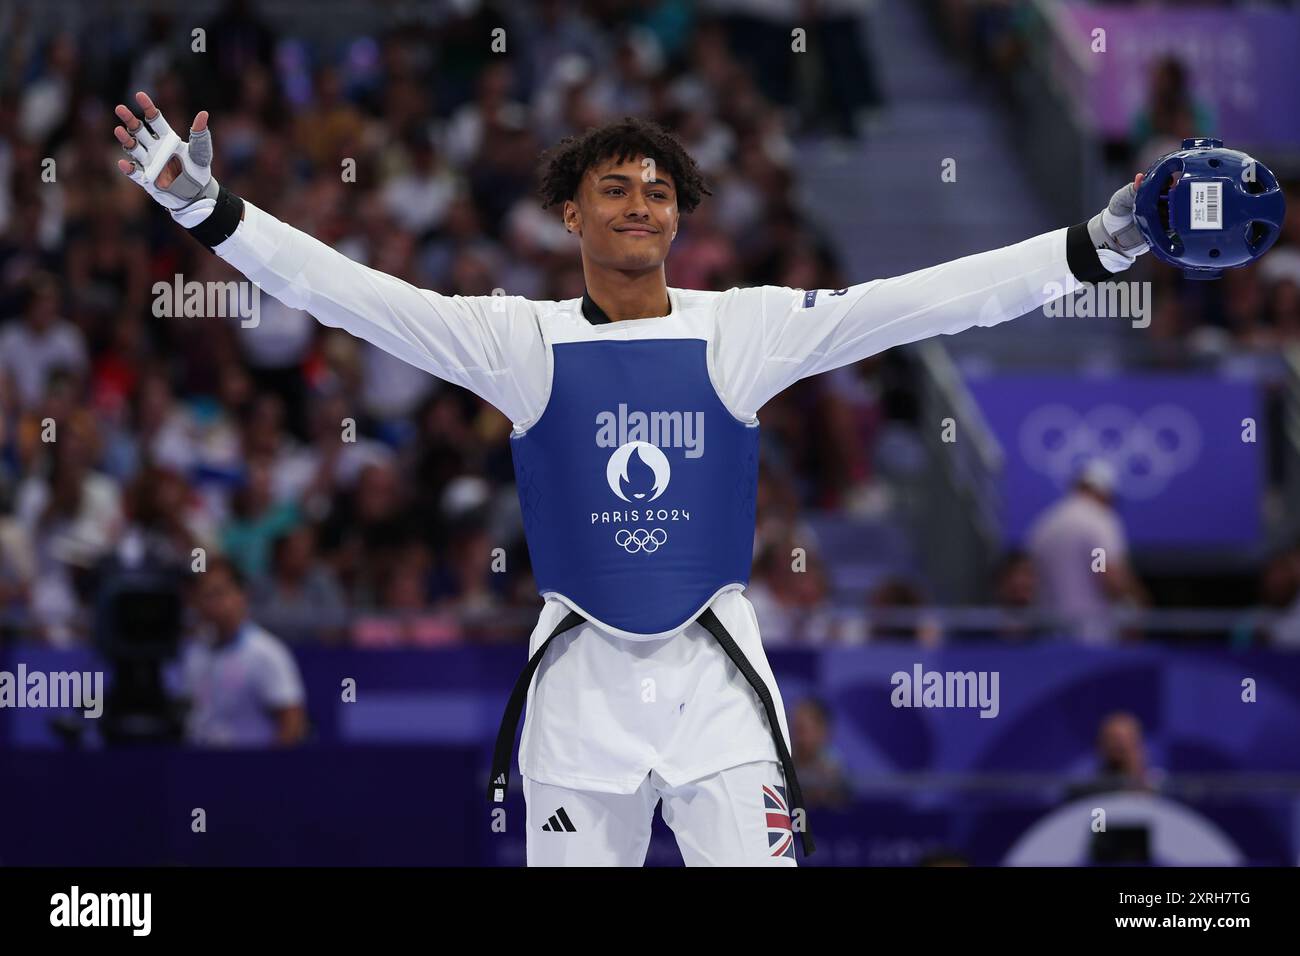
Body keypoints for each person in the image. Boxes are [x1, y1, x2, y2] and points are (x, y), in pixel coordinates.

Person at [113, 90, 1149, 866]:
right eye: (614, 187)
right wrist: (211, 213)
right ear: (569, 214)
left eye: (658, 191)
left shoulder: (739, 327)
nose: (640, 204)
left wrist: (1092, 249)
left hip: (718, 689)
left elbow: (924, 302)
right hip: (576, 693)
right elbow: (350, 295)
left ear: (679, 217)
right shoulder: (520, 340)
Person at [182, 555, 308, 747]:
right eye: (204, 596)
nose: (211, 604)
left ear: (242, 594)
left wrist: (264, 771)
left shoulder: (266, 652)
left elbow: (292, 722)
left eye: (218, 593)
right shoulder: (193, 652)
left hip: (250, 769)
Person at [1026, 459, 1150, 644]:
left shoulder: (1045, 525)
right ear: (1105, 492)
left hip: (1048, 636)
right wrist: (1136, 602)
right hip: (1090, 638)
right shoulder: (1096, 521)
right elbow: (1104, 573)